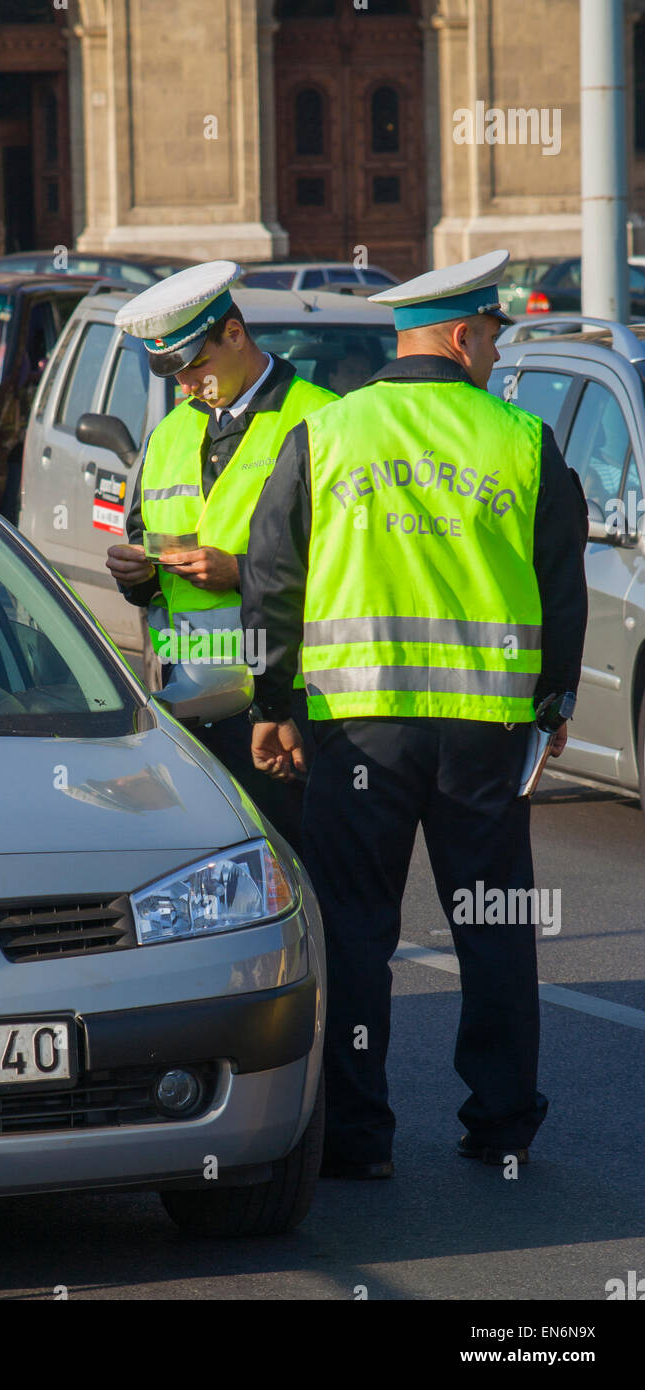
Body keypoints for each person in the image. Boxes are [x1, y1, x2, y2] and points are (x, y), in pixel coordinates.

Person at [240, 249, 589, 1177]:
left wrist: (272, 702)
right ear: (462, 334)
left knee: (356, 929)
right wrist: (553, 705)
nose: (495, 354)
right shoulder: (519, 439)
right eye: (492, 337)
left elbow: (272, 576)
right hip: (486, 731)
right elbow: (562, 586)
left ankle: (359, 1137)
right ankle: (503, 1122)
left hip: (357, 729)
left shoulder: (330, 433)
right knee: (495, 922)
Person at [104, 260, 337, 851]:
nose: (185, 386)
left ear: (234, 334)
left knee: (307, 872)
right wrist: (138, 572)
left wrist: (241, 571)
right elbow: (146, 534)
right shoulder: (170, 433)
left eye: (196, 366)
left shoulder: (322, 419)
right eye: (174, 374)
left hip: (296, 702)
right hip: (193, 698)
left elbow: (356, 564)